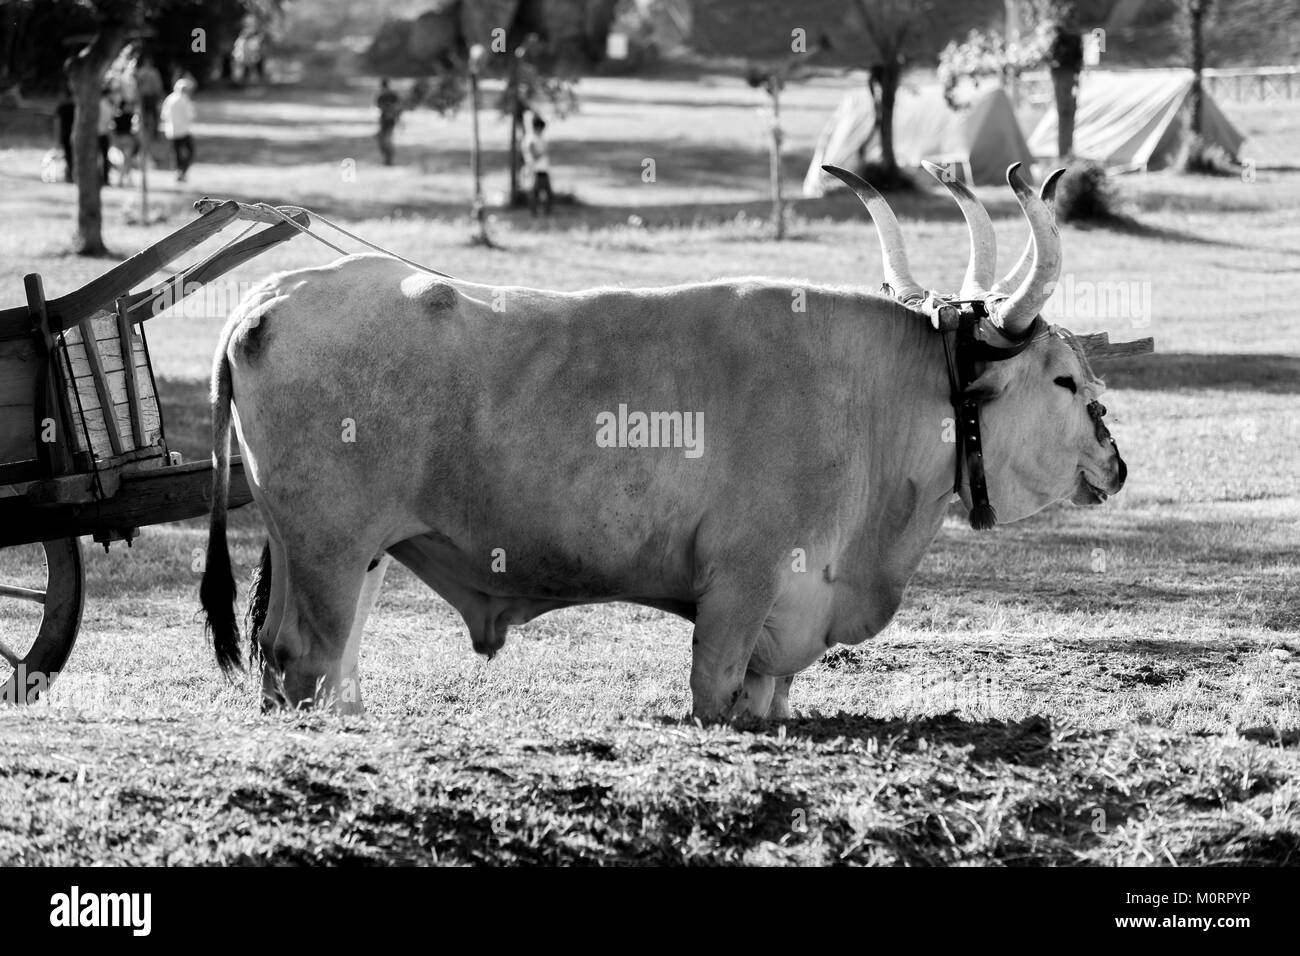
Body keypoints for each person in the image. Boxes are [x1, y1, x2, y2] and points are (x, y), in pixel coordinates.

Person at [160, 77, 196, 182]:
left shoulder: (169, 99)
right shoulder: (185, 100)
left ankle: (178, 172)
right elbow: (190, 115)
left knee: (176, 153)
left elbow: (164, 115)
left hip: (171, 131)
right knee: (190, 152)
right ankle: (182, 171)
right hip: (183, 131)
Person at [522, 113, 553, 216]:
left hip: (543, 169)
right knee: (534, 193)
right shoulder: (530, 139)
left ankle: (546, 213)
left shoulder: (540, 138)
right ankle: (534, 214)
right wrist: (544, 150)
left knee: (548, 193)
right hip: (534, 170)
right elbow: (534, 155)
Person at [134, 56, 163, 140]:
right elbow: (137, 84)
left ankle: (153, 133)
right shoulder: (144, 72)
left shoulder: (152, 72)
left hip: (150, 96)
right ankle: (148, 133)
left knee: (152, 115)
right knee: (147, 115)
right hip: (146, 96)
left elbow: (158, 85)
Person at [375, 78, 401, 166]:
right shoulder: (391, 95)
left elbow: (379, 106)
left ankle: (389, 159)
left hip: (388, 120)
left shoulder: (383, 95)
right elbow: (399, 107)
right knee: (384, 139)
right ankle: (388, 159)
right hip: (388, 119)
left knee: (385, 140)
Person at [54, 82, 75, 183]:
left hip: (65, 134)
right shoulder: (77, 107)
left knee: (68, 156)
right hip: (74, 134)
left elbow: (57, 124)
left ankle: (70, 175)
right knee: (72, 156)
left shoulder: (61, 107)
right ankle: (71, 175)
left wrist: (57, 138)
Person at [97, 86, 115, 185]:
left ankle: (101, 178)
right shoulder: (107, 106)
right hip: (103, 134)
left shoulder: (99, 104)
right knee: (104, 157)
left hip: (99, 133)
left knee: (100, 157)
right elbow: (110, 122)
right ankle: (104, 179)